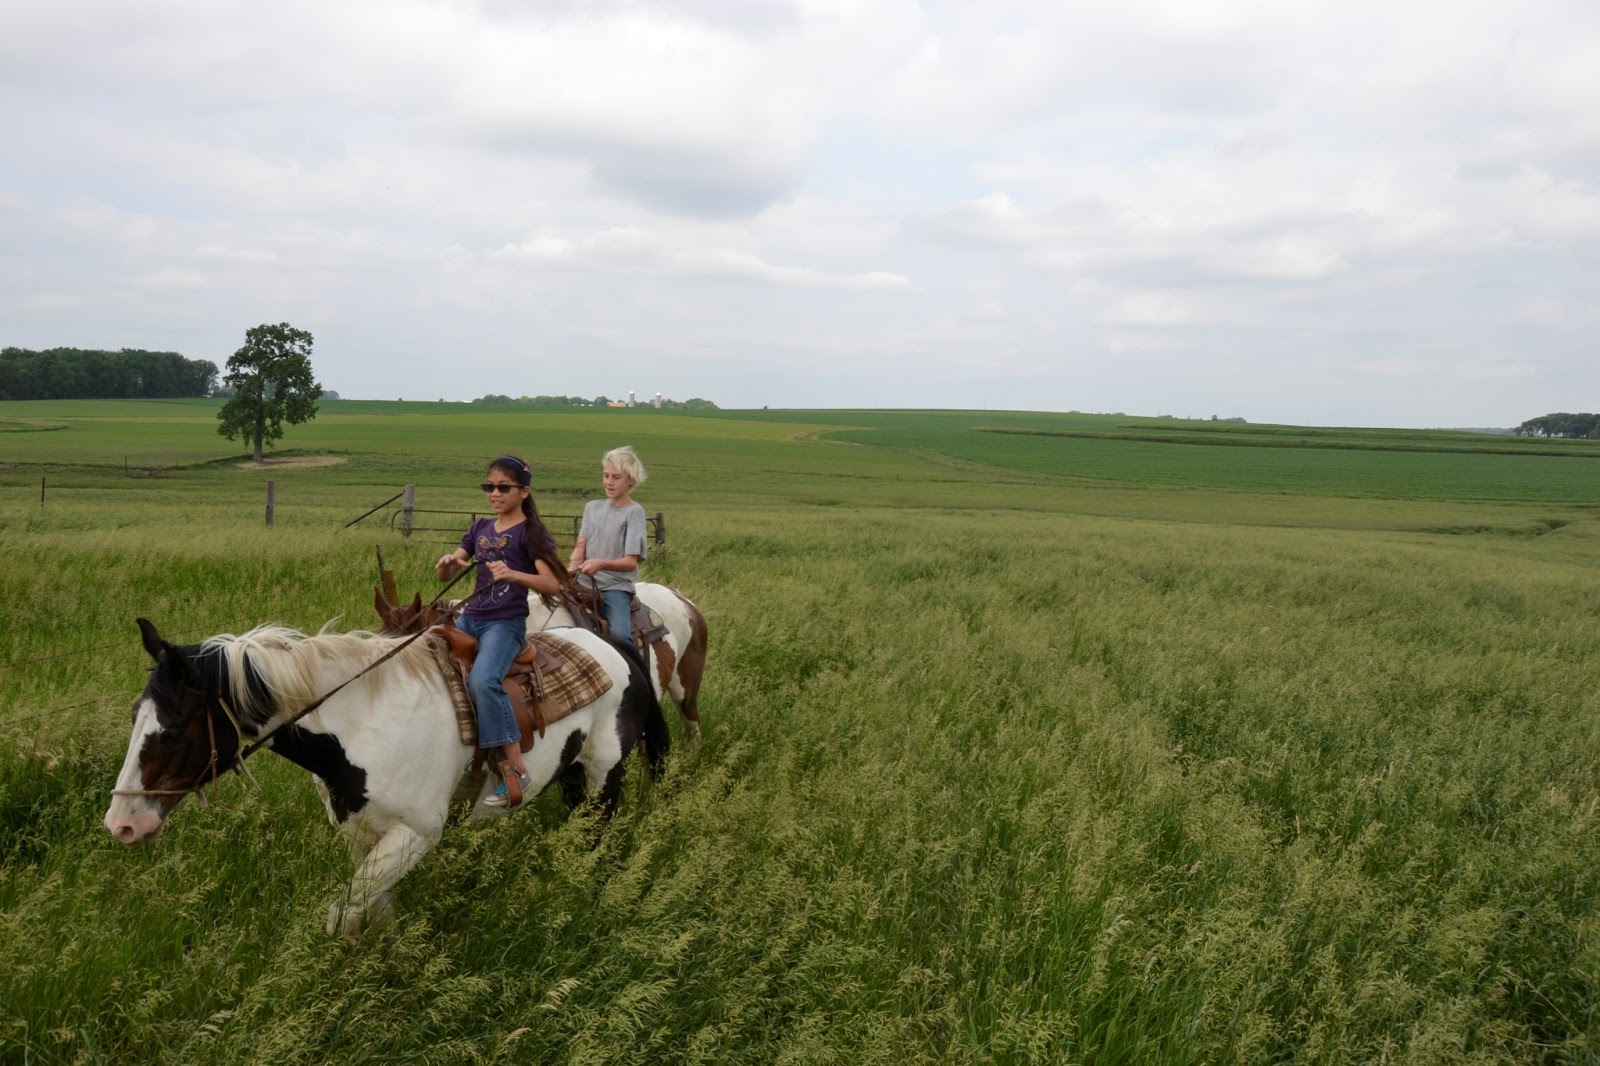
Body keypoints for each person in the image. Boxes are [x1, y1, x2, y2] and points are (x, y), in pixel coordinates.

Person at [435, 455, 562, 808]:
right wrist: (447, 564)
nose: (494, 493)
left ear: (523, 491)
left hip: (504, 623)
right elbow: (450, 570)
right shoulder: (480, 529)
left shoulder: (531, 534)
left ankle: (515, 768)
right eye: (489, 487)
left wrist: (513, 574)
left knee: (483, 681)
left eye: (503, 487)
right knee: (423, 651)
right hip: (470, 616)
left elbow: (552, 584)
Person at [569, 446, 649, 645]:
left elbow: (630, 562)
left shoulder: (634, 512)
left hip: (614, 586)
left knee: (620, 636)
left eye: (616, 477)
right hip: (583, 581)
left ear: (631, 480)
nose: (609, 482)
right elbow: (581, 545)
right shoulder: (592, 507)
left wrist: (601, 564)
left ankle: (632, 672)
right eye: (606, 476)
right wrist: (570, 569)